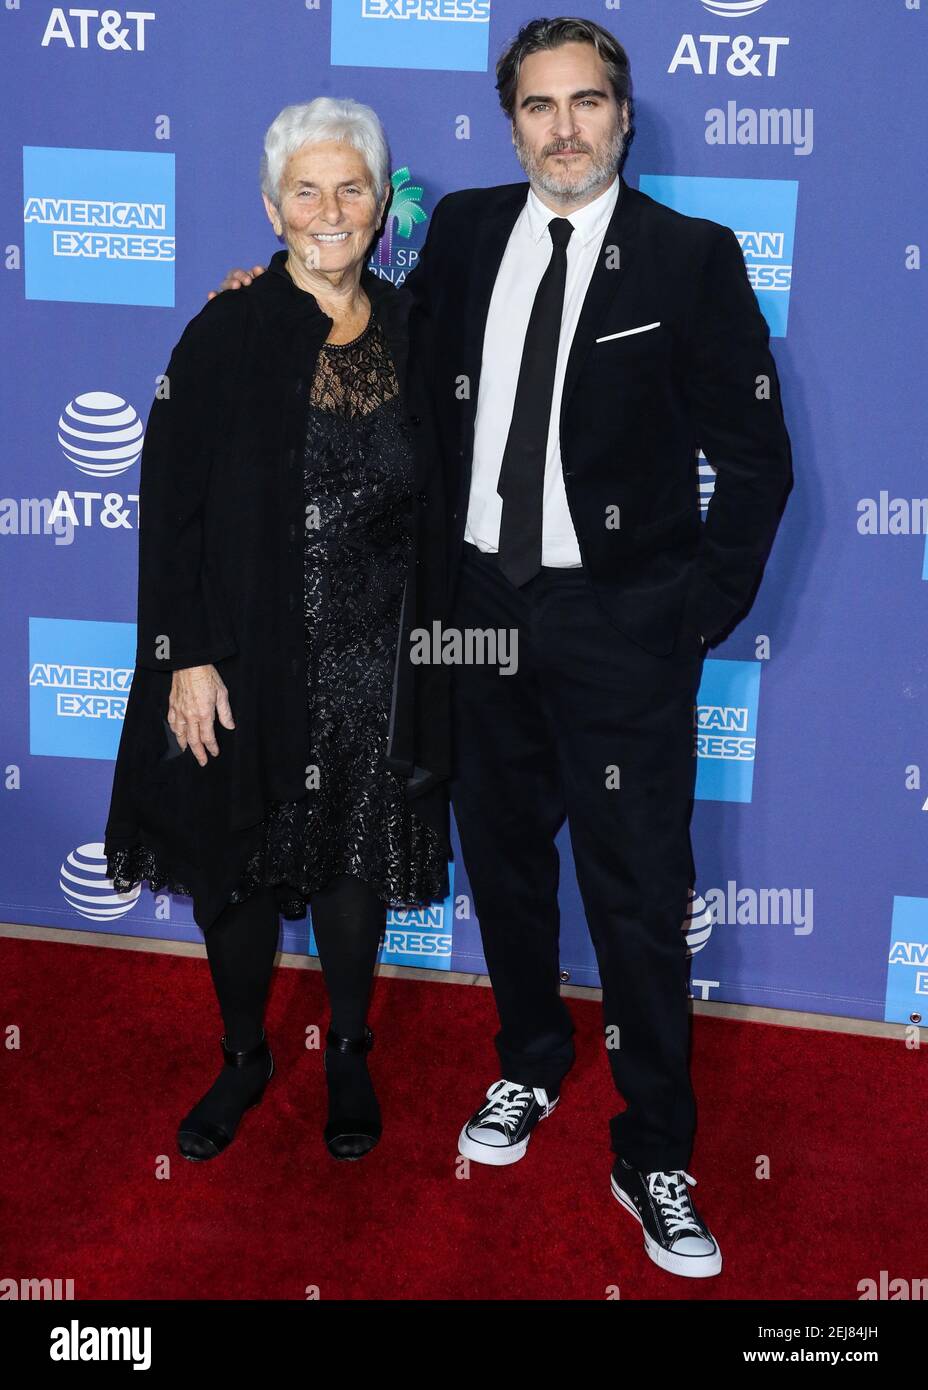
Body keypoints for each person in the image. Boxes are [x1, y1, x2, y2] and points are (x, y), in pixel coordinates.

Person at [215, 17, 792, 1277]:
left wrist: (688, 616)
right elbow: (361, 329)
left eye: (588, 103)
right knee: (507, 862)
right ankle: (528, 1060)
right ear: (510, 119)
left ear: (623, 118)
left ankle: (654, 1154)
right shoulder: (469, 233)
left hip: (617, 621)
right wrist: (263, 300)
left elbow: (756, 460)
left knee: (637, 893)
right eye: (540, 106)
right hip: (475, 609)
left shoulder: (690, 260)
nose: (565, 128)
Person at [104, 97, 451, 1166]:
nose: (332, 209)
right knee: (236, 872)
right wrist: (184, 656)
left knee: (354, 867)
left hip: (374, 661)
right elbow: (173, 509)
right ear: (272, 206)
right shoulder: (226, 330)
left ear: (384, 203)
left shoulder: (415, 329)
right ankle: (245, 1056)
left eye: (354, 186)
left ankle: (347, 1046)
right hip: (243, 657)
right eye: (308, 189)